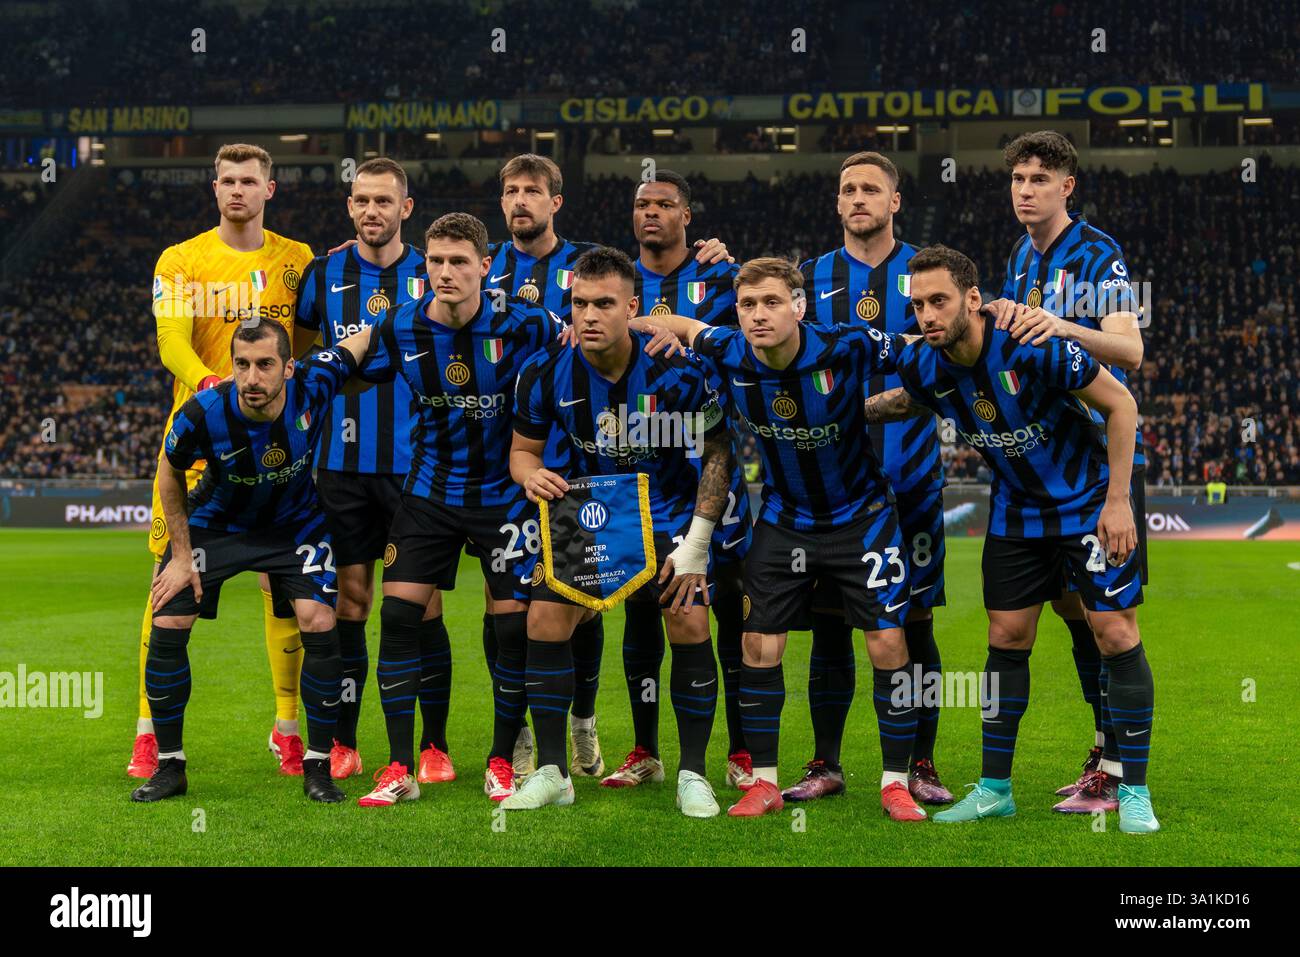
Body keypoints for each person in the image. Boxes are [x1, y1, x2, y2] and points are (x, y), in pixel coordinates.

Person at [867, 244, 1159, 834]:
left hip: (1087, 506)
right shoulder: (924, 364)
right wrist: (836, 411)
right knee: (1006, 636)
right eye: (918, 303)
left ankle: (1133, 789)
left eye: (939, 300)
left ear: (972, 299)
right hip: (1016, 514)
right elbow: (906, 402)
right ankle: (996, 787)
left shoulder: (1031, 343)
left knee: (1115, 631)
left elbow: (1121, 403)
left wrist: (1119, 500)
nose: (927, 315)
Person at [647, 257, 929, 822]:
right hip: (782, 519)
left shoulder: (846, 344)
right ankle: (766, 782)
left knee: (888, 646)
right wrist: (635, 325)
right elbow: (683, 326)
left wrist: (981, 323)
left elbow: (922, 351)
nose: (757, 315)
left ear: (799, 307)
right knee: (759, 647)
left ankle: (895, 783)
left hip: (863, 516)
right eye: (748, 305)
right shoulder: (728, 349)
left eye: (772, 302)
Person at [483, 155, 734, 781]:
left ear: (634, 307)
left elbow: (719, 450)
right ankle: (550, 773)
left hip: (671, 505)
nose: (588, 316)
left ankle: (694, 772)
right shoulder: (546, 371)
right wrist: (525, 474)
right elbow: (522, 449)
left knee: (686, 611)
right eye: (579, 305)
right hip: (593, 504)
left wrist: (698, 541)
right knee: (543, 614)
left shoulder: (676, 369)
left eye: (603, 305)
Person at [347, 212, 564, 807]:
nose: (446, 272)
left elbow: (594, 333)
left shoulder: (527, 326)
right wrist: (307, 369)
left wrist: (664, 327)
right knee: (396, 620)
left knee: (511, 627)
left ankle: (500, 758)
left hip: (505, 497)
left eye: (459, 261)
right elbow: (349, 355)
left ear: (485, 267)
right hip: (429, 495)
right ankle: (398, 766)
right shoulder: (401, 326)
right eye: (436, 262)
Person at [133, 143, 316, 781]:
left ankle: (288, 727)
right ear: (214, 188)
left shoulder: (298, 262)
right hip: (194, 450)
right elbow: (169, 340)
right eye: (227, 181)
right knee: (167, 588)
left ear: (272, 188)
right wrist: (213, 385)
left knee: (283, 589)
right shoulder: (180, 261)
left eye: (250, 180)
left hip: (276, 451)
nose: (237, 190)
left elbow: (310, 351)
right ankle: (149, 735)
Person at [133, 320, 371, 804]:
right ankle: (170, 766)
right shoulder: (203, 411)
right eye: (241, 364)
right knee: (169, 617)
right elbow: (169, 470)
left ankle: (318, 766)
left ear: (288, 367)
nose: (251, 378)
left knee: (319, 617)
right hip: (217, 523)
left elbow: (358, 342)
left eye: (264, 365)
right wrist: (181, 556)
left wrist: (408, 307)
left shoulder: (315, 381)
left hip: (295, 525)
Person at [983, 130, 1147, 813]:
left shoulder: (1097, 252)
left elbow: (1129, 350)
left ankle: (1120, 771)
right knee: (1069, 609)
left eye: (1039, 180)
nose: (1025, 190)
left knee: (1111, 623)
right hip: (1039, 470)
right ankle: (1104, 751)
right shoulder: (1021, 254)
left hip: (1096, 468)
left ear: (1066, 186)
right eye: (1018, 179)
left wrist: (1062, 326)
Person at [795, 151, 951, 805]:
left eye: (871, 189)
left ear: (895, 202)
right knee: (830, 626)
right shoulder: (809, 276)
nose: (858, 197)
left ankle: (921, 764)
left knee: (914, 625)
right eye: (847, 189)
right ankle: (825, 762)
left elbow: (948, 367)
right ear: (837, 203)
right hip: (832, 490)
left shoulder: (927, 274)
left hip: (909, 484)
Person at [295, 157, 450, 784]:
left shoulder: (432, 274)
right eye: (361, 200)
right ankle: (345, 743)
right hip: (340, 465)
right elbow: (304, 360)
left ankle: (434, 747)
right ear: (350, 206)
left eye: (383, 201)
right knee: (352, 603)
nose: (371, 211)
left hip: (417, 465)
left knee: (423, 606)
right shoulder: (323, 272)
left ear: (406, 208)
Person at [604, 169, 756, 793]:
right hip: (636, 469)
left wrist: (738, 262)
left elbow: (763, 317)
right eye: (643, 204)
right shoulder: (616, 282)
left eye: (665, 204)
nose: (652, 213)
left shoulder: (721, 277)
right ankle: (645, 749)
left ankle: (742, 751)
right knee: (643, 612)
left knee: (728, 610)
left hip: (712, 464)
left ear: (688, 216)